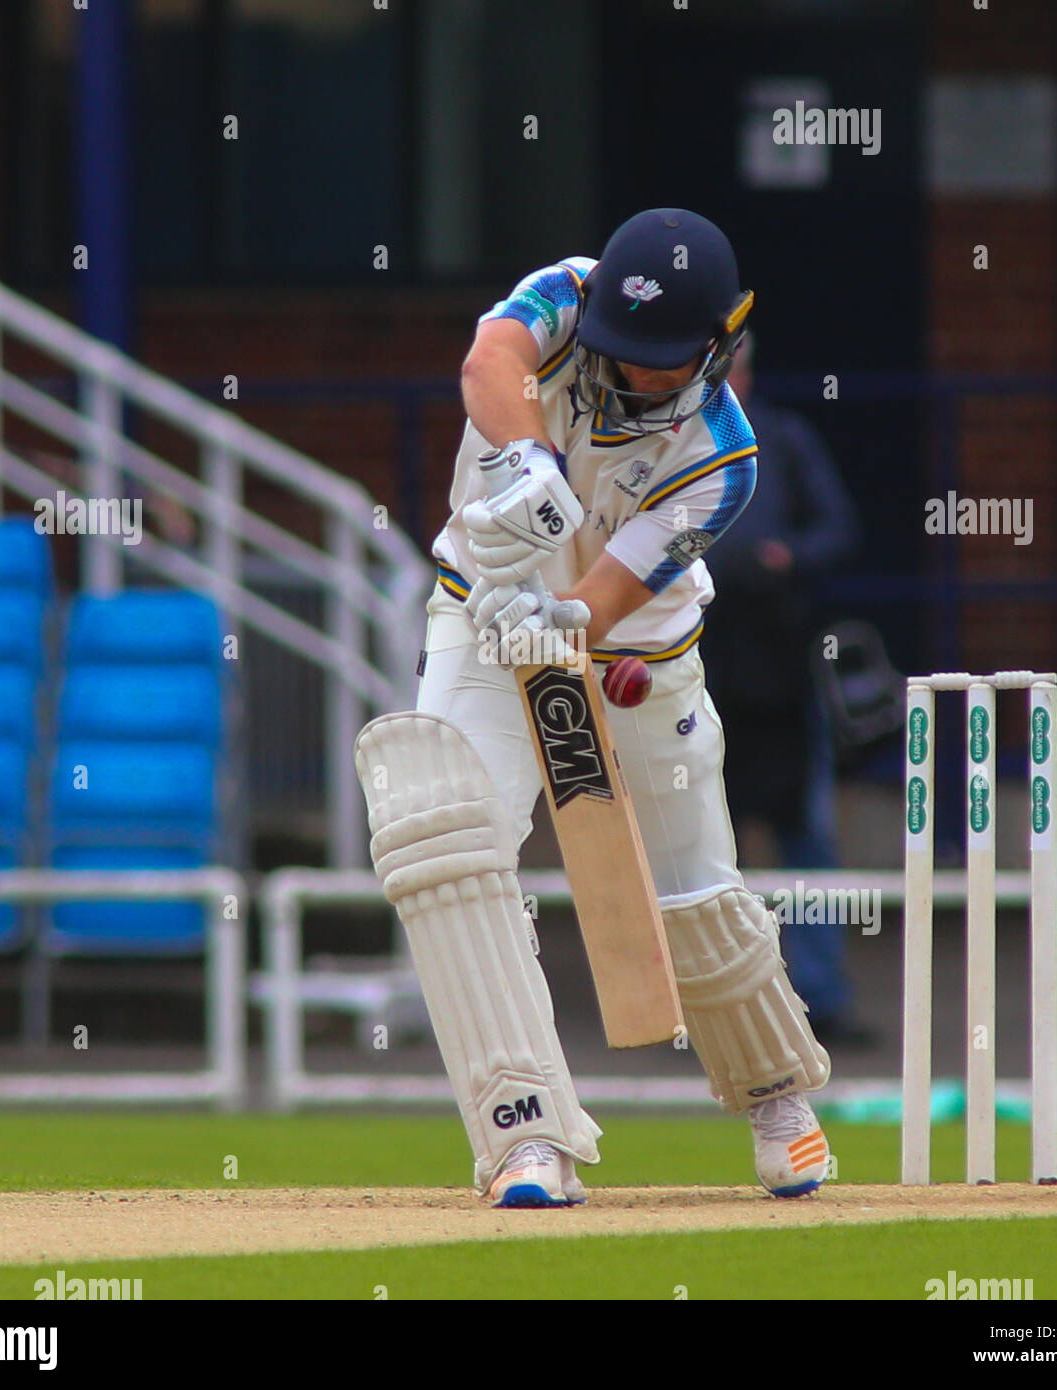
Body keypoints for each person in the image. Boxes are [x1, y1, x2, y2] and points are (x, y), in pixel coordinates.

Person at [356, 209, 831, 1207]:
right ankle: (523, 1133)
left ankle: (775, 1094)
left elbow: (610, 593)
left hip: (633, 654)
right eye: (625, 351)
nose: (633, 372)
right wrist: (532, 466)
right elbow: (490, 358)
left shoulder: (723, 459)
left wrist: (563, 608)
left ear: (719, 341)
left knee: (691, 893)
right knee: (439, 843)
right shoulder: (569, 295)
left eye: (662, 360)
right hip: (480, 624)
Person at [703, 340, 870, 1044]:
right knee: (704, 848)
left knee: (808, 835)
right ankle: (712, 1013)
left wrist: (784, 557)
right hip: (697, 675)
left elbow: (838, 531)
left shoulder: (787, 438)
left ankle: (821, 1001)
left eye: (732, 363)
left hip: (781, 668)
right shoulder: (660, 444)